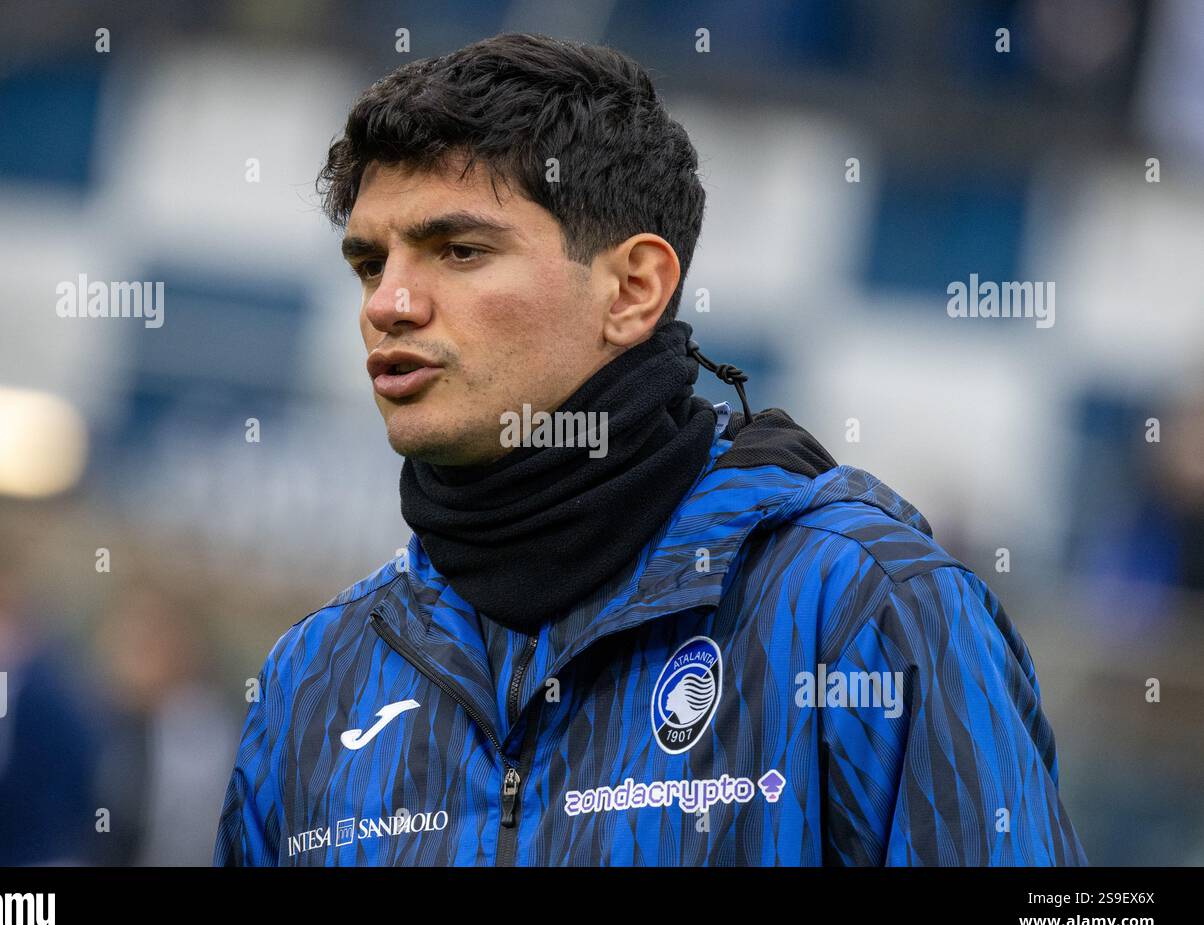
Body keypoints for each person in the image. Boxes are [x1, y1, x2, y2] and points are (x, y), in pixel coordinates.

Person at [214, 32, 1086, 866]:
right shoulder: (314, 679)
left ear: (633, 290)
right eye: (370, 264)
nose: (390, 303)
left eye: (460, 250)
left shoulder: (858, 607)